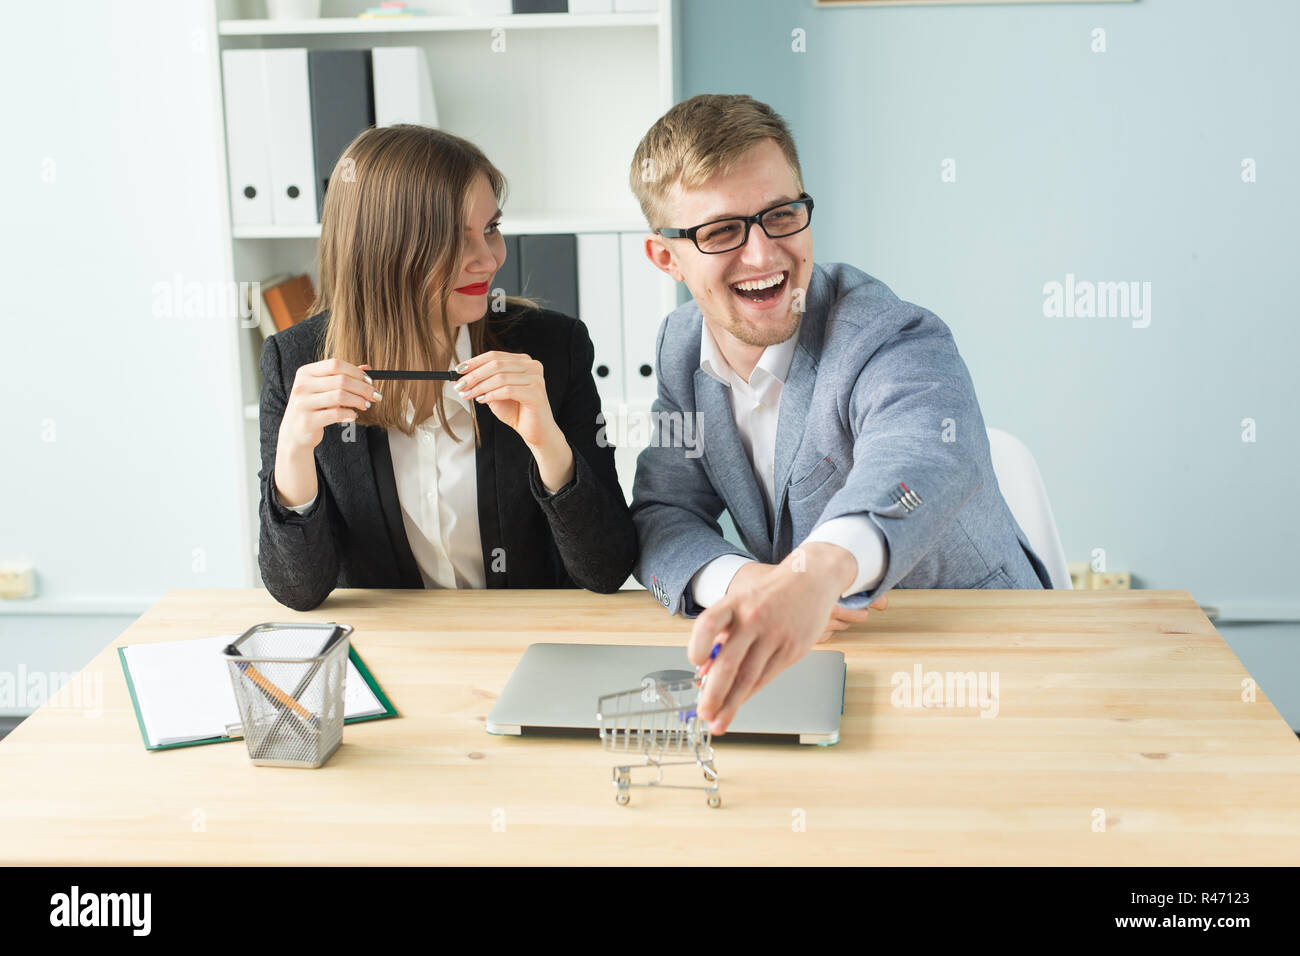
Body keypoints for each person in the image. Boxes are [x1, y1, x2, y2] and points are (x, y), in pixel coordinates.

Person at [628, 94, 1051, 734]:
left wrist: (817, 572)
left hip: (991, 666)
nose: (764, 255)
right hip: (825, 671)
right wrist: (746, 584)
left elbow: (925, 463)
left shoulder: (887, 331)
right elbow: (662, 514)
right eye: (720, 232)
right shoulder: (680, 347)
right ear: (667, 257)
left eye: (782, 215)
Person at [259, 124, 636, 611]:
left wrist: (548, 444)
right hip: (398, 657)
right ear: (381, 251)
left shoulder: (552, 346)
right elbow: (298, 592)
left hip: (531, 643)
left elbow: (607, 569)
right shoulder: (296, 362)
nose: (489, 258)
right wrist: (292, 454)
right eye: (457, 240)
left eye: (492, 228)